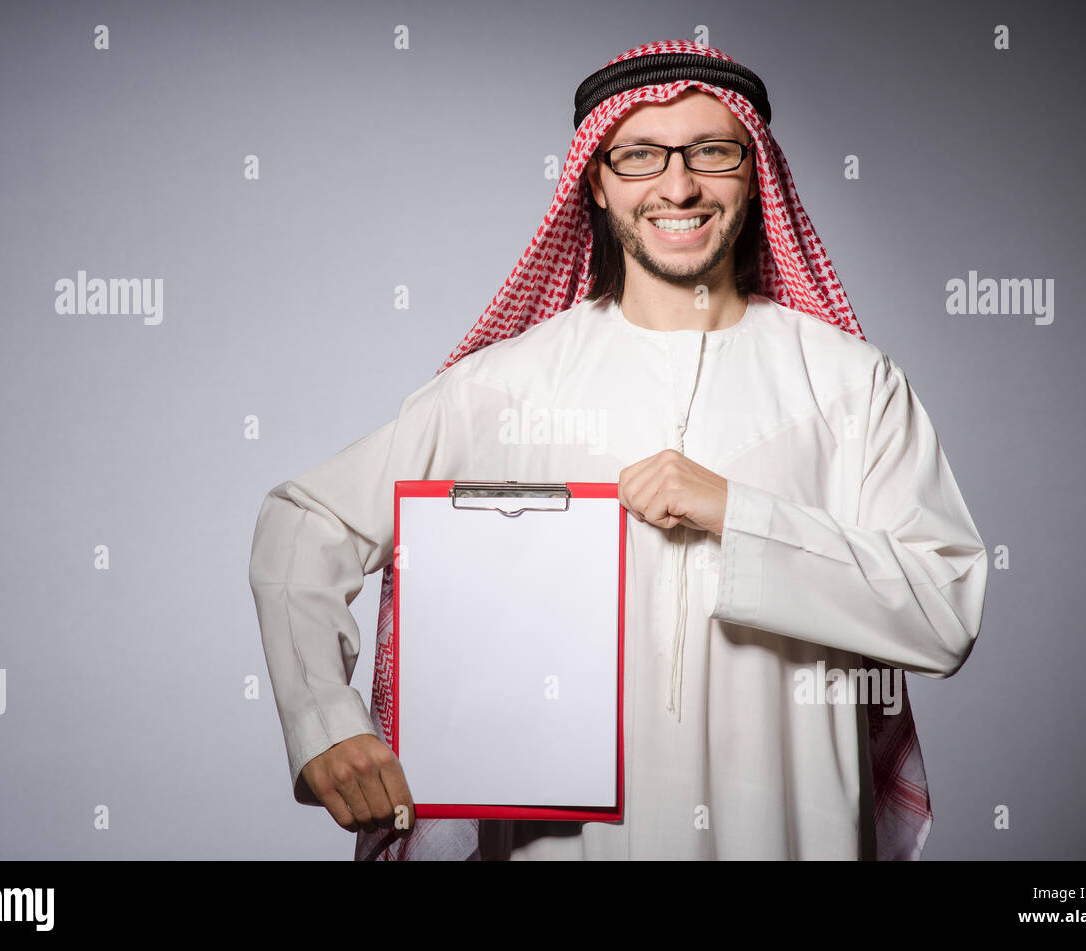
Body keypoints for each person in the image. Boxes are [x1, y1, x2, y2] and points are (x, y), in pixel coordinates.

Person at [247, 39, 988, 860]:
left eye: (711, 151)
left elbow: (945, 605)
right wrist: (322, 719)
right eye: (640, 156)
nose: (678, 185)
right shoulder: (506, 389)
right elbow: (304, 523)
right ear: (595, 181)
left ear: (756, 173)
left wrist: (736, 514)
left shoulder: (852, 387)